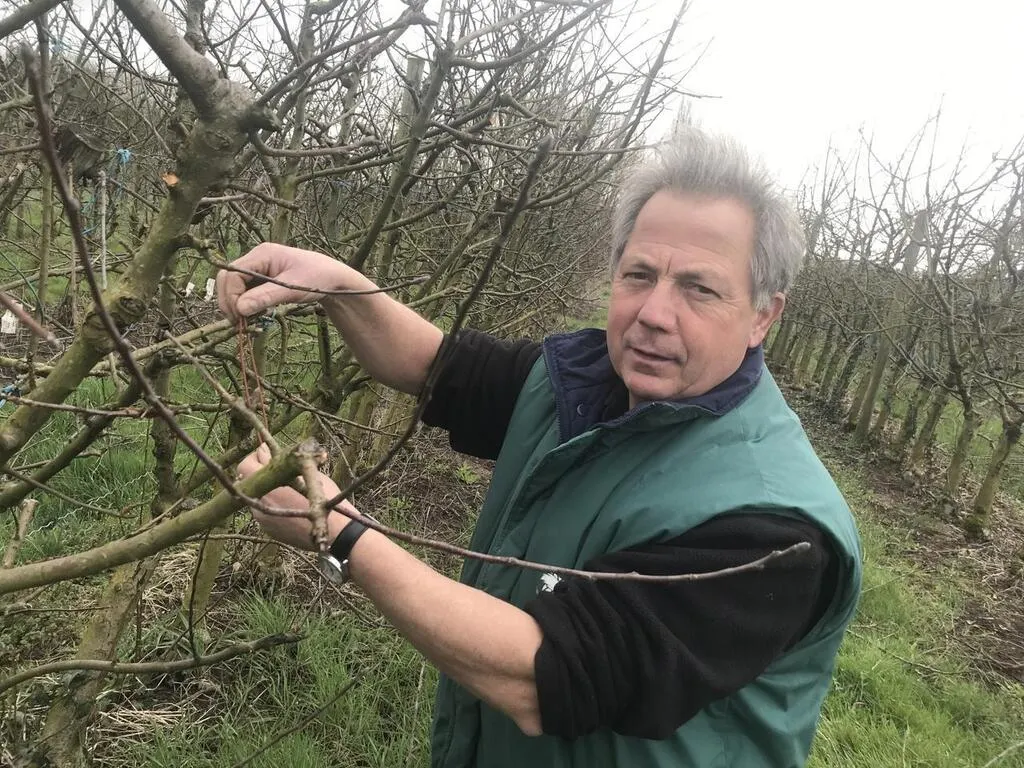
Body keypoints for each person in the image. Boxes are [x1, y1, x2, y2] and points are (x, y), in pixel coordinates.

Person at [221, 127, 862, 768]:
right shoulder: (576, 388)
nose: (655, 314)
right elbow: (435, 365)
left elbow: (546, 675)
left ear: (762, 317)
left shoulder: (774, 531)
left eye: (700, 288)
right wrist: (336, 284)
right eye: (639, 275)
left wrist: (339, 533)